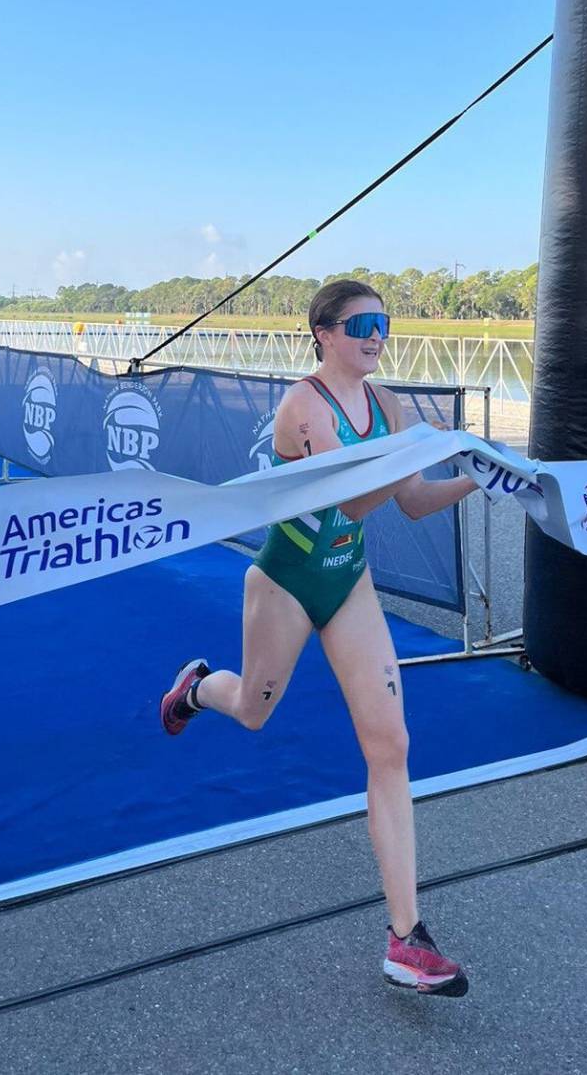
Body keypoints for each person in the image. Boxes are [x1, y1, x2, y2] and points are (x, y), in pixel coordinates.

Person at [160, 279, 478, 994]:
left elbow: (415, 504)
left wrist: (477, 475)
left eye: (383, 323)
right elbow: (354, 498)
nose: (376, 335)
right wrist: (412, 452)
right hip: (287, 583)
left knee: (389, 745)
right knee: (252, 710)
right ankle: (198, 687)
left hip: (349, 578)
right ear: (324, 334)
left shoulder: (389, 404)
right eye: (361, 323)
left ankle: (406, 939)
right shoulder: (304, 406)